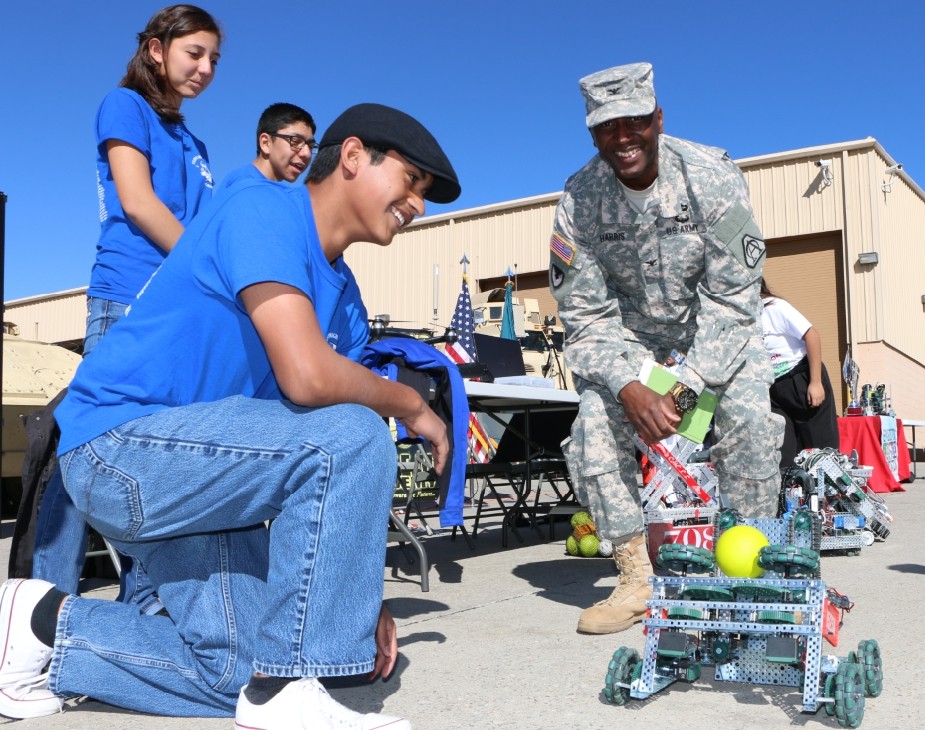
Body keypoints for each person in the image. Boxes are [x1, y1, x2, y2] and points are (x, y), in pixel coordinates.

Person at [0, 102, 460, 728]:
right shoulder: (265, 210)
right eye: (413, 181)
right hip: (119, 451)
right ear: (353, 157)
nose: (419, 205)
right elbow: (306, 378)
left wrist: (350, 590)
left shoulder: (346, 304)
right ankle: (288, 690)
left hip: (204, 484)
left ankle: (38, 626)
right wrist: (414, 406)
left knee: (237, 673)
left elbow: (307, 447)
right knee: (353, 434)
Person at [549, 62, 783, 635]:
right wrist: (632, 385)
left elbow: (735, 298)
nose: (622, 137)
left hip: (714, 340)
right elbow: (585, 317)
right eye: (607, 127)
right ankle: (636, 581)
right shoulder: (578, 201)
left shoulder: (712, 177)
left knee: (751, 418)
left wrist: (687, 385)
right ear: (593, 134)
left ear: (658, 118)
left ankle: (749, 574)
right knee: (591, 426)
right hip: (633, 350)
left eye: (634, 121)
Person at [30, 4, 222, 614]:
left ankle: (143, 605)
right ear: (156, 49)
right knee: (87, 447)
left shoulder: (192, 140)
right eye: (195, 53)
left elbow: (202, 224)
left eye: (215, 59)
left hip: (177, 310)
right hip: (128, 299)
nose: (206, 67)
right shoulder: (124, 106)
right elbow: (138, 203)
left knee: (156, 457)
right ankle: (42, 606)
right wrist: (209, 272)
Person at [760, 278, 840, 467]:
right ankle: (791, 494)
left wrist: (815, 382)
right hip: (773, 390)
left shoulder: (775, 307)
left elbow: (811, 335)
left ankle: (825, 495)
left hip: (801, 380)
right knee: (784, 454)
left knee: (819, 451)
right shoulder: (741, 317)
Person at [220, 102, 317, 187]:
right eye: (295, 141)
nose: (307, 154)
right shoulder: (247, 188)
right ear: (265, 143)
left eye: (311, 147)